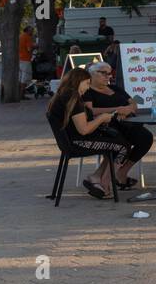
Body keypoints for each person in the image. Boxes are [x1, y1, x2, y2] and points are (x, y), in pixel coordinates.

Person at [46, 67, 134, 200]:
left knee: (117, 141)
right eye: (87, 83)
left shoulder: (63, 95)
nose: (87, 88)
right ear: (78, 82)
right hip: (78, 142)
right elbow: (84, 130)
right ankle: (104, 185)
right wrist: (102, 118)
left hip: (69, 141)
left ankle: (97, 179)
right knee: (123, 147)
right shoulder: (73, 99)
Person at [82, 61, 152, 190]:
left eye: (110, 74)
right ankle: (103, 178)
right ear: (91, 74)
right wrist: (116, 109)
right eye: (104, 73)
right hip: (106, 126)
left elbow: (133, 104)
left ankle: (122, 172)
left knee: (146, 137)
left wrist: (126, 110)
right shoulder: (87, 90)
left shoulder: (115, 88)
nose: (108, 76)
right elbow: (90, 111)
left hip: (127, 124)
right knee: (120, 143)